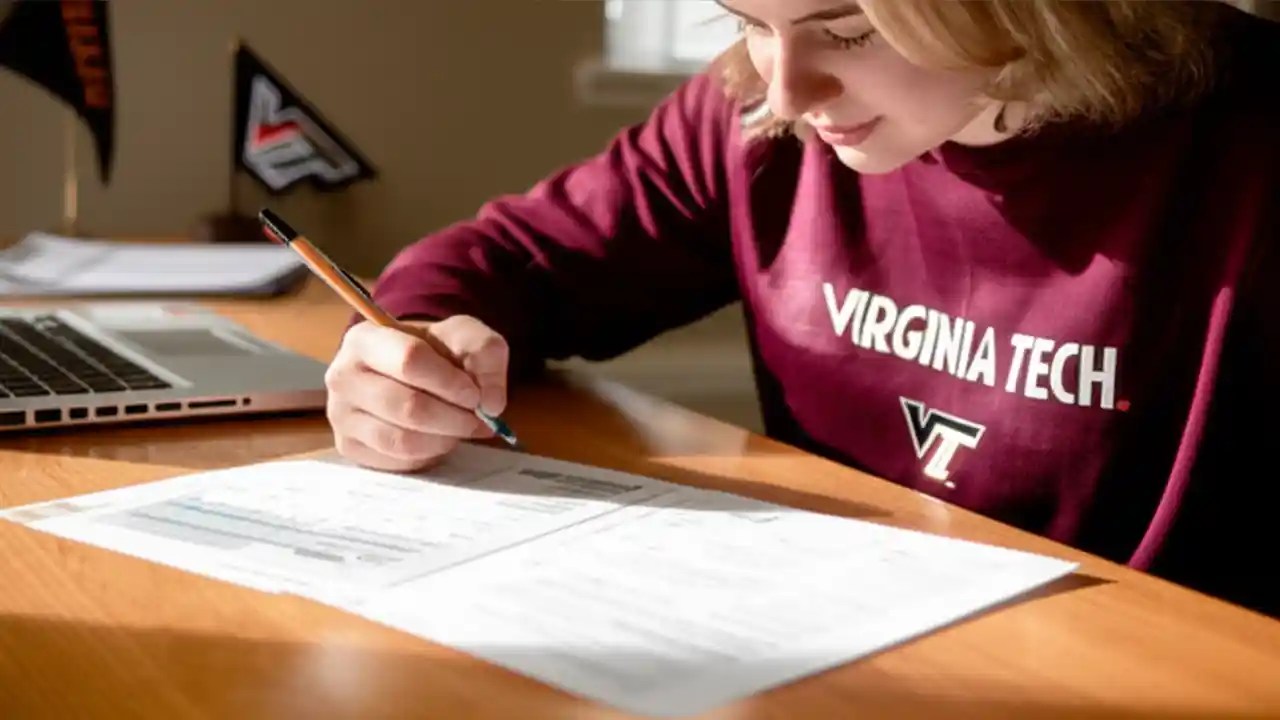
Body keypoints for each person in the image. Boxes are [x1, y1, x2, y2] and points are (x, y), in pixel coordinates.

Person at [324, 0, 1279, 617]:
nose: (789, 89)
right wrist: (406, 349)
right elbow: (509, 258)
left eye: (851, 30)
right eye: (747, 20)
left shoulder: (1244, 148)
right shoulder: (755, 119)